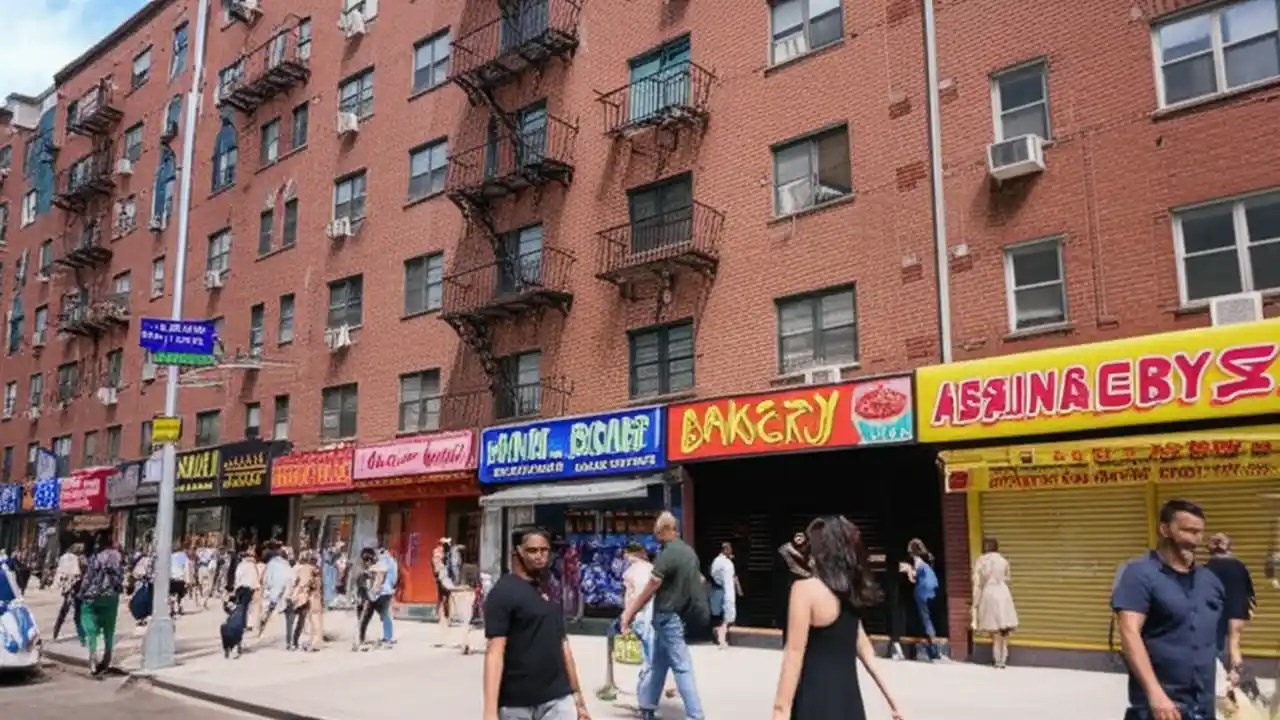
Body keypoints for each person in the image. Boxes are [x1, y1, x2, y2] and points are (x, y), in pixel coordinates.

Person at [770, 516, 905, 720]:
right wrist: (895, 704)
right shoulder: (850, 596)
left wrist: (780, 712)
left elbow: (793, 656)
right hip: (849, 705)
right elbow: (868, 655)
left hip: (814, 703)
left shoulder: (805, 590)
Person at [1113, 499, 1226, 720]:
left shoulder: (1210, 581)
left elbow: (1215, 637)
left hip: (1203, 705)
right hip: (1161, 707)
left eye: (1199, 532)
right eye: (1187, 530)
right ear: (1164, 529)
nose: (1195, 539)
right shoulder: (1139, 574)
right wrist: (1155, 694)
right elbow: (1129, 632)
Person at [483, 525, 591, 720]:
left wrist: (578, 698)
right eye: (533, 550)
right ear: (518, 551)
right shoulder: (503, 592)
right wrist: (490, 712)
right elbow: (494, 652)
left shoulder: (550, 591)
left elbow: (563, 646)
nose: (540, 556)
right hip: (517, 705)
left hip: (558, 700)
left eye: (544, 550)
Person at [621, 511, 706, 720]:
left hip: (668, 616)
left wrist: (629, 613)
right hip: (680, 615)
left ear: (663, 531)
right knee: (658, 663)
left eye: (656, 533)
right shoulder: (689, 553)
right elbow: (700, 581)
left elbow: (652, 585)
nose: (654, 537)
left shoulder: (667, 553)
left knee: (681, 666)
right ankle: (647, 707)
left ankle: (696, 716)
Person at [1205, 532, 1255, 679]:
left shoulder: (1207, 568)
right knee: (1234, 644)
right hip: (1238, 610)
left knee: (1216, 645)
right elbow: (1249, 591)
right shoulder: (1240, 566)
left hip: (1216, 611)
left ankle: (1218, 679)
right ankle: (1236, 678)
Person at [79, 535, 124, 677]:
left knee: (88, 621)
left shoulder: (96, 558)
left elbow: (88, 578)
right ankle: (107, 658)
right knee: (109, 628)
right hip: (111, 597)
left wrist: (81, 593)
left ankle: (93, 657)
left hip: (94, 596)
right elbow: (121, 577)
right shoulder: (119, 558)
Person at [972, 537, 1019, 669]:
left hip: (989, 593)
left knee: (994, 631)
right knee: (1005, 629)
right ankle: (1003, 659)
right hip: (1003, 593)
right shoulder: (1003, 561)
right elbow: (1007, 577)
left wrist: (975, 604)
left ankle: (997, 660)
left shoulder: (981, 561)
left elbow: (977, 582)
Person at [900, 538, 942, 661]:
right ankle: (934, 648)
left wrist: (908, 571)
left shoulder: (917, 561)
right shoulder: (929, 558)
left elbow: (914, 578)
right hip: (933, 592)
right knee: (930, 618)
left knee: (926, 619)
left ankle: (933, 649)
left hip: (922, 592)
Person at [285, 549, 324, 651]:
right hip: (312, 597)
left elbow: (299, 583)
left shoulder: (303, 569)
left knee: (299, 621)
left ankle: (294, 642)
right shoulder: (315, 570)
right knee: (311, 621)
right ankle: (313, 642)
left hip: (303, 597)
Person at [709, 541, 742, 649]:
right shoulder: (726, 564)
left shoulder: (716, 561)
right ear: (725, 550)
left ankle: (720, 639)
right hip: (724, 591)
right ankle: (722, 640)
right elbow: (728, 583)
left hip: (716, 590)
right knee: (724, 618)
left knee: (718, 617)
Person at [52, 543, 85, 642]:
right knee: (77, 614)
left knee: (64, 612)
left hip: (68, 589)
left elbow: (61, 574)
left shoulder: (65, 559)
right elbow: (79, 574)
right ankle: (82, 637)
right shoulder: (77, 560)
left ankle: (55, 632)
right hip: (76, 589)